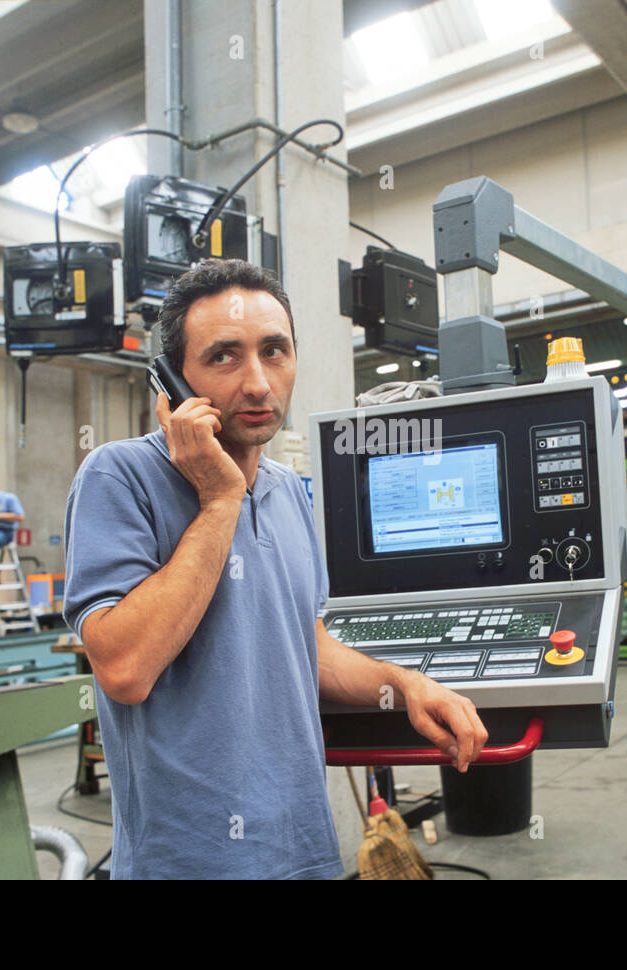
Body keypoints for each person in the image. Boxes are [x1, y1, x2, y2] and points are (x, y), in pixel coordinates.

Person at [63, 258, 488, 879]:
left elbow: (305, 647)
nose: (259, 383)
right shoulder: (118, 476)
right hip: (191, 863)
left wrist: (405, 684)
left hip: (303, 849)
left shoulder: (290, 491)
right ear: (173, 384)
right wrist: (219, 498)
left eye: (274, 351)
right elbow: (124, 669)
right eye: (225, 357)